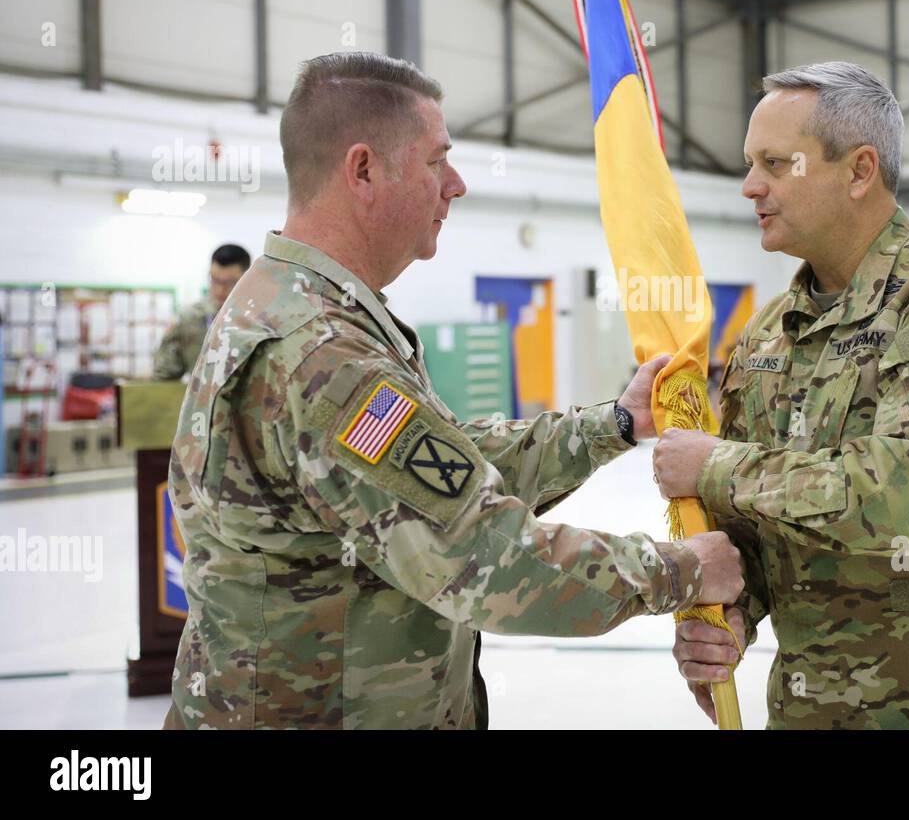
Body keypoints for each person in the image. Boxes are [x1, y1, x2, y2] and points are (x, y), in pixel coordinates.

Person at [163, 52, 742, 729]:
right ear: (364, 170)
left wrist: (612, 423)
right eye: (438, 161)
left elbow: (443, 469)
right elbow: (489, 560)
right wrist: (680, 569)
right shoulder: (324, 355)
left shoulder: (297, 306)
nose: (457, 184)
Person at [654, 61, 909, 729]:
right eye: (751, 163)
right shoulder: (767, 336)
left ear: (859, 170)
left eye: (776, 163)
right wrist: (730, 615)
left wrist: (715, 464)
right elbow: (755, 531)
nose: (749, 186)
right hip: (812, 708)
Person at [152, 243, 250, 379]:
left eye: (231, 283)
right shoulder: (189, 318)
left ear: (247, 279)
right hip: (201, 397)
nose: (220, 290)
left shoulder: (259, 320)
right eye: (215, 280)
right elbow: (164, 375)